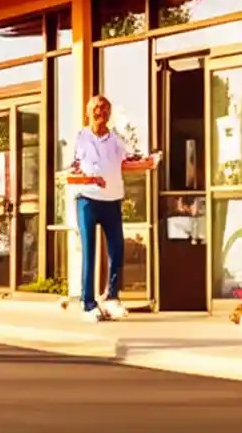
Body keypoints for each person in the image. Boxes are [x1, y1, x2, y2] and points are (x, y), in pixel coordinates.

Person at [69, 95, 158, 322]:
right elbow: (73, 172)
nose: (101, 114)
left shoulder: (116, 140)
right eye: (96, 110)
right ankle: (88, 302)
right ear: (88, 113)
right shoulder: (81, 138)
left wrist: (147, 164)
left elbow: (126, 162)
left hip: (112, 200)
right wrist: (90, 180)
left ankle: (111, 297)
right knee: (89, 251)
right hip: (87, 200)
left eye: (105, 110)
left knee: (116, 249)